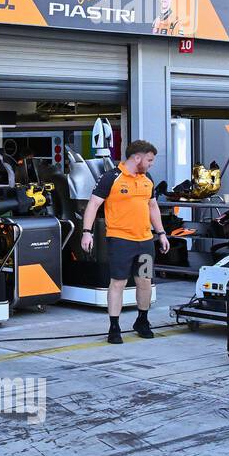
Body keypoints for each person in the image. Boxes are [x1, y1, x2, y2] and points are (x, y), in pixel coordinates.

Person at [80, 140, 171, 345]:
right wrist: (87, 232)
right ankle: (114, 326)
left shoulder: (147, 178)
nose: (151, 164)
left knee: (145, 281)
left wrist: (162, 233)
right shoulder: (111, 177)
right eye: (149, 160)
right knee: (118, 283)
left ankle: (142, 320)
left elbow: (153, 207)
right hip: (121, 240)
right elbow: (93, 204)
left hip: (145, 241)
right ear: (136, 158)